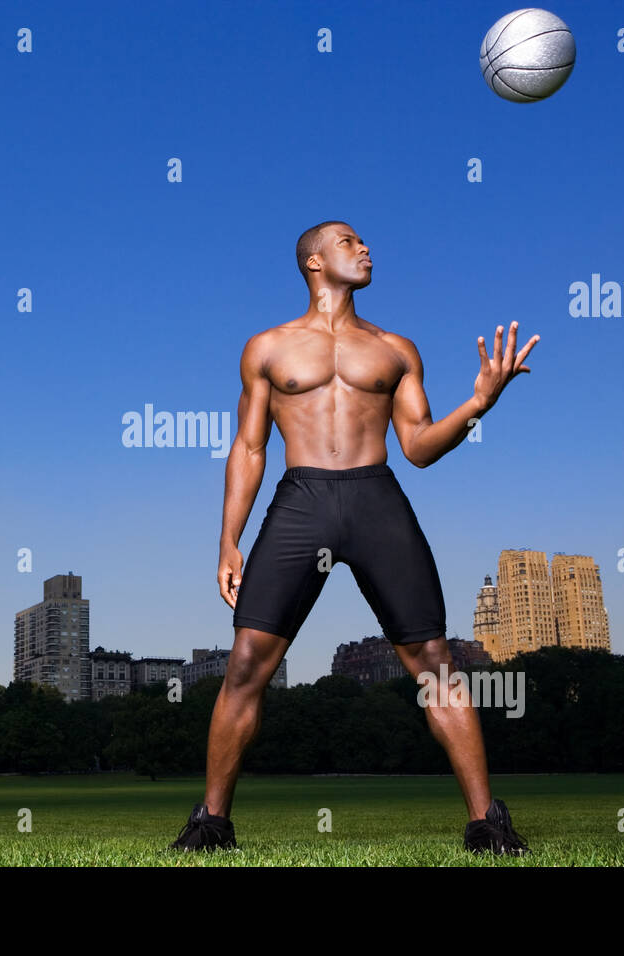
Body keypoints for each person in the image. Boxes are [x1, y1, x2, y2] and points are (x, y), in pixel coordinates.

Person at [168, 221, 538, 855]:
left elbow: (419, 448)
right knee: (247, 665)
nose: (365, 248)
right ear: (314, 261)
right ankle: (210, 823)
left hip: (376, 499)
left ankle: (487, 824)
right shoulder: (267, 347)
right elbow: (250, 448)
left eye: (364, 241)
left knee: (435, 666)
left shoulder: (396, 349)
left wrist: (477, 403)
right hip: (300, 500)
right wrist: (228, 541)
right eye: (348, 241)